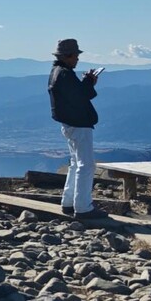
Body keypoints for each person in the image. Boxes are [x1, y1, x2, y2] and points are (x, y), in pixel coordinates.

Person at [48, 37, 102, 220]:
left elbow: (75, 94)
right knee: (86, 164)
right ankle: (83, 207)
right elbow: (81, 95)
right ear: (67, 56)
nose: (77, 59)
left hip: (69, 124)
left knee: (75, 163)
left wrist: (86, 82)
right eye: (75, 55)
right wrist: (89, 82)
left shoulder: (56, 72)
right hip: (79, 124)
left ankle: (68, 202)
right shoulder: (65, 74)